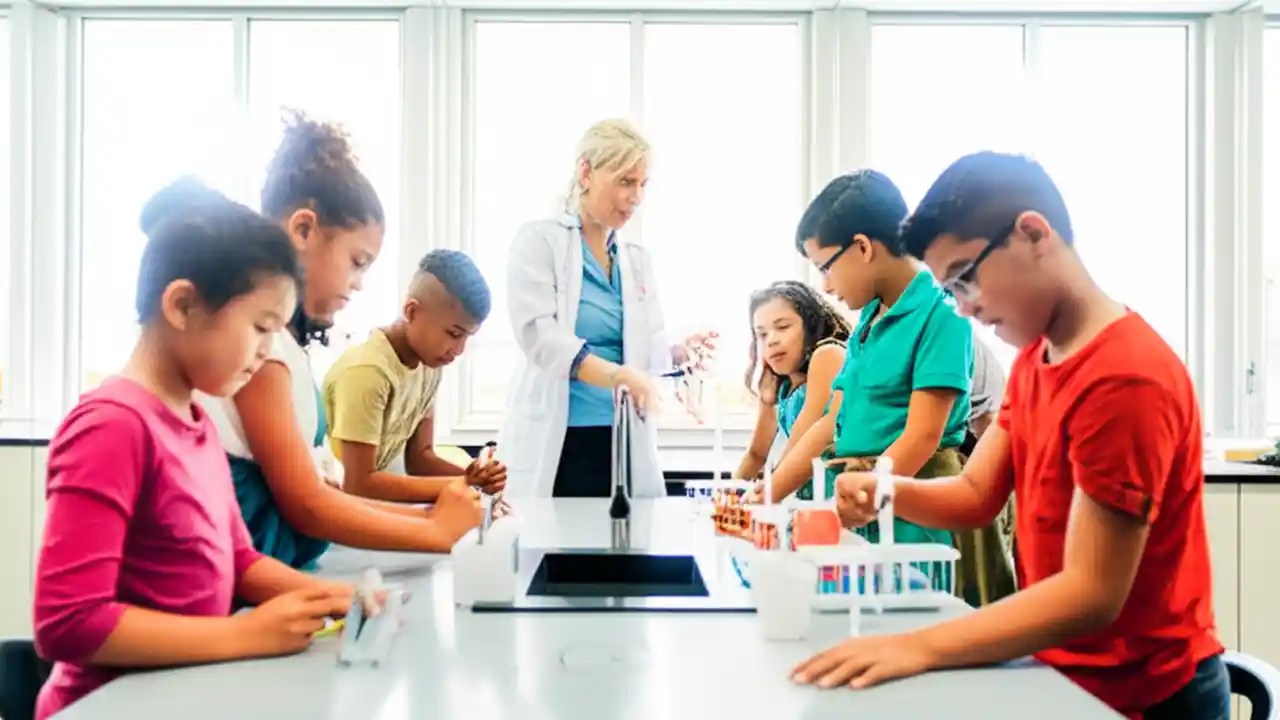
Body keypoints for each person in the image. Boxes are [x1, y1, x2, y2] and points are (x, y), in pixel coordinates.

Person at [792, 152, 1226, 720]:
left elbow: (1092, 593)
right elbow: (977, 493)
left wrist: (919, 646)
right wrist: (886, 492)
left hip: (1144, 695)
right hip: (1066, 677)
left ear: (1032, 233)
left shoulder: (1123, 377)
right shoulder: (1037, 358)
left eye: (966, 278)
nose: (966, 308)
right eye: (951, 290)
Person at [33, 179, 354, 720]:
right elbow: (67, 622)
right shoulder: (112, 427)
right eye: (259, 327)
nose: (265, 352)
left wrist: (331, 597)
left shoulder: (198, 423)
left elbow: (241, 560)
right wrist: (242, 633)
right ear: (183, 305)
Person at [199, 111, 481, 570]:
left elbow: (324, 493)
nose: (358, 283)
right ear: (304, 230)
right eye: (357, 261)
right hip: (246, 590)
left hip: (281, 571)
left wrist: (434, 516)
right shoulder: (259, 355)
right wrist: (432, 530)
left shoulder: (285, 347)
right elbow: (307, 505)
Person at [499, 118, 712, 498]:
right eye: (625, 181)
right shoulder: (539, 242)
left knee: (626, 550)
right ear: (586, 172)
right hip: (561, 438)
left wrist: (678, 351)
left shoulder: (635, 259)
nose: (636, 197)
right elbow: (540, 338)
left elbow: (642, 347)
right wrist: (616, 376)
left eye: (643, 184)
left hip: (622, 436)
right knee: (561, 552)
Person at [322, 249, 507, 503]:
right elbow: (359, 484)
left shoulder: (430, 365)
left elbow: (420, 458)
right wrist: (465, 485)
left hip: (375, 506)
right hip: (340, 513)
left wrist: (476, 478)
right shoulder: (368, 373)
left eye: (467, 337)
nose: (459, 350)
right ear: (411, 311)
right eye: (454, 334)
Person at [734, 280, 849, 499]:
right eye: (762, 334)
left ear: (811, 325)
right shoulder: (781, 386)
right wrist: (728, 497)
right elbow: (756, 455)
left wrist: (767, 492)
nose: (772, 341)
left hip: (839, 502)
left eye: (783, 327)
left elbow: (803, 437)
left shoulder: (828, 355)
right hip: (803, 503)